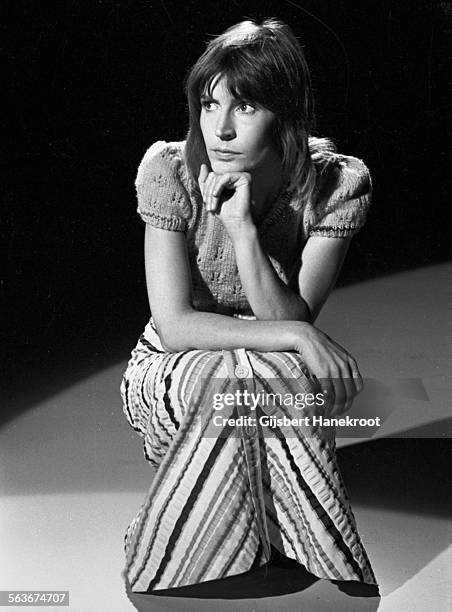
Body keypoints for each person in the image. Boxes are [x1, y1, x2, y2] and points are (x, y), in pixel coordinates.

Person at [121, 18, 378, 594]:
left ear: (285, 114)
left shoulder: (336, 184)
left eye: (246, 107)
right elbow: (176, 324)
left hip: (267, 366)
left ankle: (289, 543)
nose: (222, 129)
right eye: (209, 106)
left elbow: (290, 317)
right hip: (171, 365)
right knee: (232, 379)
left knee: (270, 372)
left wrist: (241, 230)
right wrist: (299, 338)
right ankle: (166, 552)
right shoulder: (169, 169)